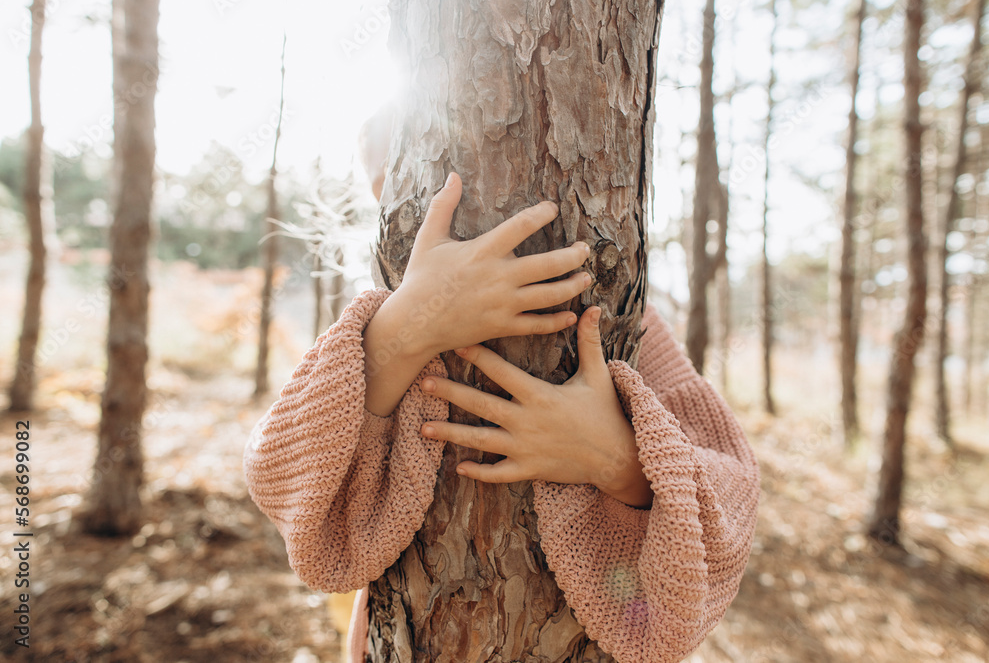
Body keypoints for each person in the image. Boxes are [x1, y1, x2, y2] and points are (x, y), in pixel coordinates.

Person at [243, 172, 761, 663]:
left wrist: (618, 460)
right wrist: (406, 328)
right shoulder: (367, 326)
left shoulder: (622, 315)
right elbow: (298, 495)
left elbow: (729, 497)